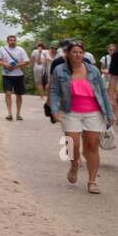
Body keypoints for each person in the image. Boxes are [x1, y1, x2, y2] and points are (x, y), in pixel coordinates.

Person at [49, 41, 115, 194]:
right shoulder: (60, 70)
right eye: (74, 52)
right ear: (68, 54)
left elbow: (103, 93)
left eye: (80, 52)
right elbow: (54, 92)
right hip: (70, 112)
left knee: (92, 146)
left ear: (83, 53)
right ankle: (73, 166)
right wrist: (54, 109)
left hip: (93, 112)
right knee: (72, 144)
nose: (77, 55)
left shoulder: (93, 70)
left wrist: (109, 113)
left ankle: (92, 181)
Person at [0, 34, 30, 120]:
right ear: (7, 41)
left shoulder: (21, 50)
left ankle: (18, 114)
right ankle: (9, 114)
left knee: (19, 95)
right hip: (6, 75)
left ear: (16, 41)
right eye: (11, 40)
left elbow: (27, 61)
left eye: (14, 40)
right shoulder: (2, 50)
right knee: (8, 93)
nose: (13, 42)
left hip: (18, 75)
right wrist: (5, 64)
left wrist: (17, 65)